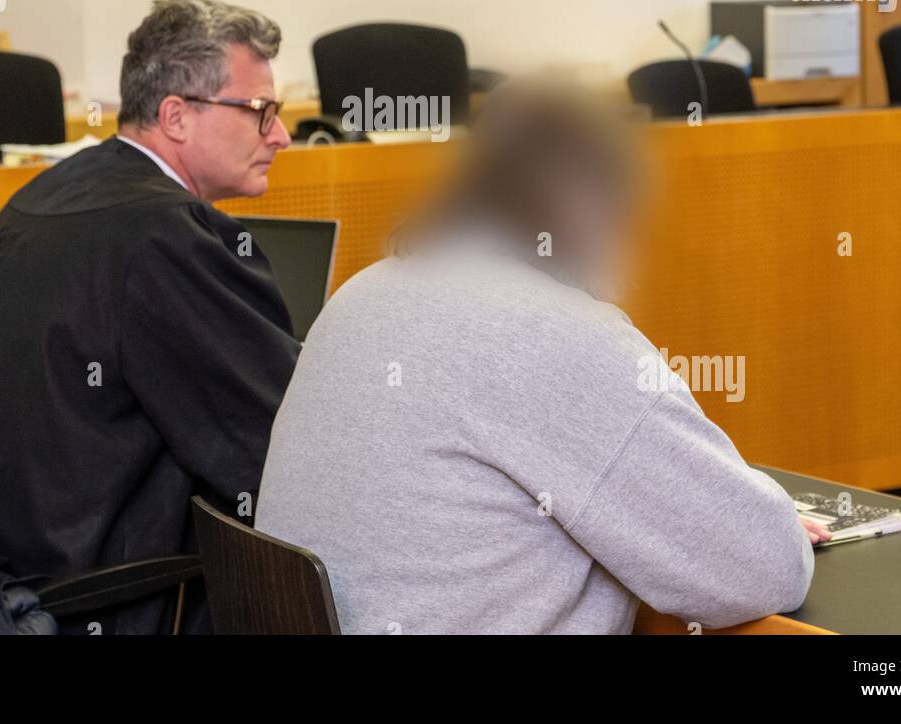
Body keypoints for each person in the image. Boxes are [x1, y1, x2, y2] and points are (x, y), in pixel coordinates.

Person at [254, 79, 826, 634]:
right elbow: (766, 569)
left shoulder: (359, 294)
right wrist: (734, 524)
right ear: (591, 201)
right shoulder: (556, 332)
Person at [0, 0, 299, 633]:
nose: (280, 135)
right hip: (97, 604)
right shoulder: (169, 237)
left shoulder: (49, 194)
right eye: (261, 111)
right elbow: (278, 450)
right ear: (176, 115)